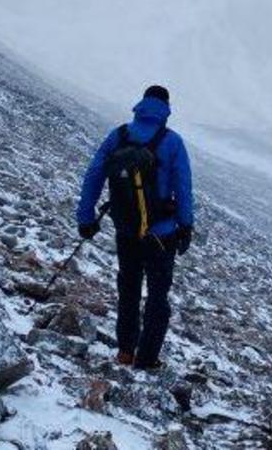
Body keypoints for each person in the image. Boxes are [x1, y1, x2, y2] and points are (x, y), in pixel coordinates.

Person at [76, 85, 195, 370]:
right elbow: (183, 187)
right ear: (165, 110)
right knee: (157, 297)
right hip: (161, 234)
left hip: (126, 229)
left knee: (128, 289)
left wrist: (86, 218)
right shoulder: (172, 141)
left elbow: (94, 175)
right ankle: (147, 359)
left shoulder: (118, 136)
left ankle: (125, 351)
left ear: (141, 106)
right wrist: (186, 225)